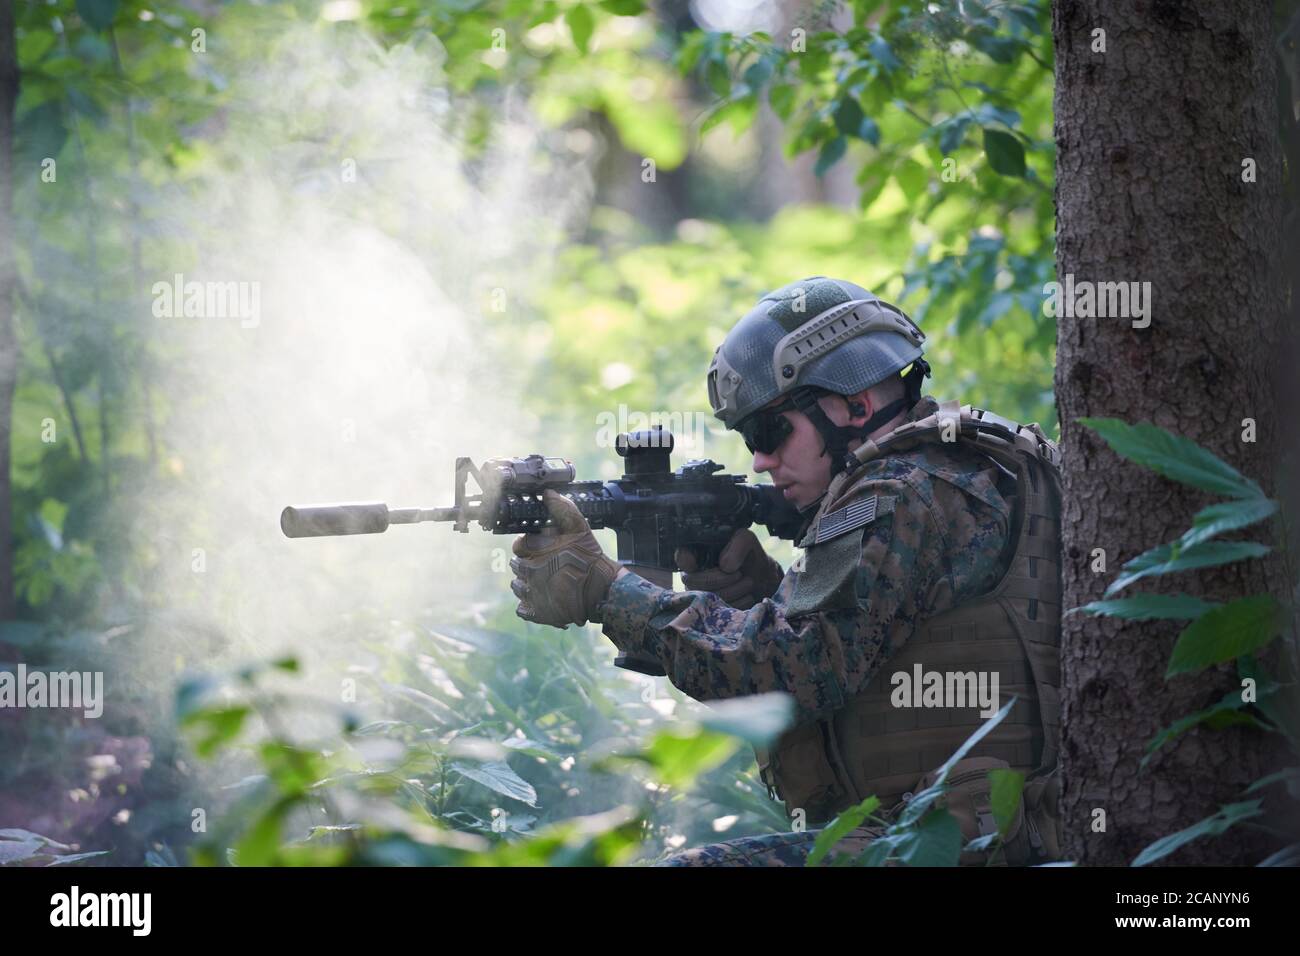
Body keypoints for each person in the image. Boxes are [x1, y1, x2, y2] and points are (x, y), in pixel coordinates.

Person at [509, 277, 1064, 866]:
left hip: (955, 848)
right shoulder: (966, 462)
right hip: (979, 833)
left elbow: (792, 670)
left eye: (771, 431)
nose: (759, 459)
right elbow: (864, 641)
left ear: (856, 403)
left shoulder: (896, 492)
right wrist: (761, 592)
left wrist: (607, 589)